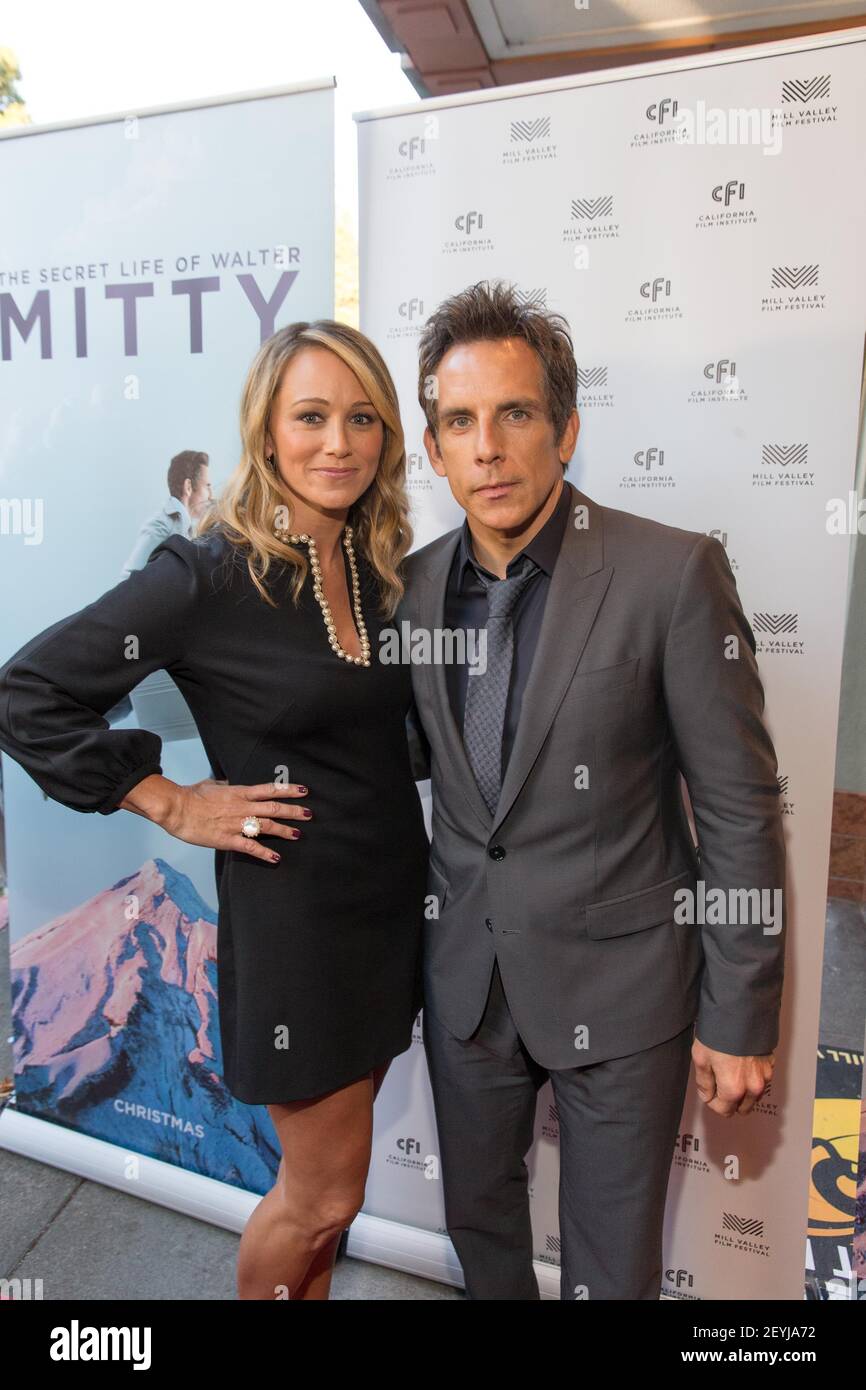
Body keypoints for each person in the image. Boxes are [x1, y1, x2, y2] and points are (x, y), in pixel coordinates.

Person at [0, 320, 430, 1301]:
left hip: (385, 914)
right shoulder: (204, 577)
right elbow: (26, 692)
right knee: (316, 1201)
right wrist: (168, 801)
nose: (337, 442)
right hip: (298, 932)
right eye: (310, 416)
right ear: (265, 432)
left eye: (360, 417)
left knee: (333, 1205)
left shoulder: (373, 565)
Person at [399, 279, 787, 1301]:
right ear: (433, 450)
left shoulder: (669, 574)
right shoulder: (410, 587)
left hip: (624, 997)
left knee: (612, 1276)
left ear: (563, 429)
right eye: (458, 421)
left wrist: (739, 1010)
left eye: (513, 414)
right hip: (467, 990)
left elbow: (741, 805)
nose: (486, 447)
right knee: (481, 1240)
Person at [121, 450, 213, 577]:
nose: (211, 495)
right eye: (207, 486)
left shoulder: (186, 527)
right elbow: (128, 579)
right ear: (188, 487)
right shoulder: (160, 525)